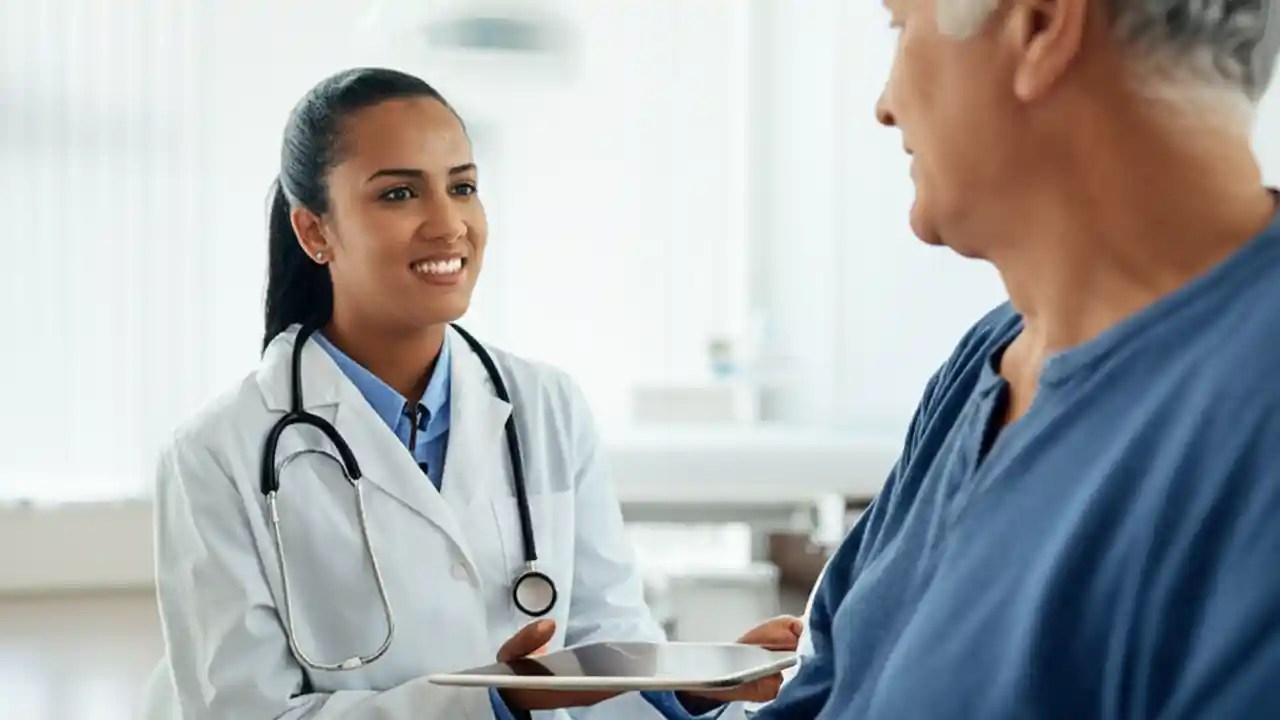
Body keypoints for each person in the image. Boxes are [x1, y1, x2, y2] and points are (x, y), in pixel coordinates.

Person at [657, 0, 1280, 718]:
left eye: (900, 26)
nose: (884, 106)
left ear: (1041, 26)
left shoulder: (1249, 427)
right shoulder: (989, 362)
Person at [145, 67, 801, 719]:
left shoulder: (547, 405)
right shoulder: (217, 454)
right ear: (315, 232)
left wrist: (683, 687)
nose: (448, 223)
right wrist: (495, 698)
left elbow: (609, 648)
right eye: (399, 194)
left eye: (463, 187)